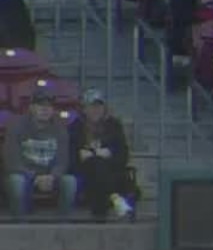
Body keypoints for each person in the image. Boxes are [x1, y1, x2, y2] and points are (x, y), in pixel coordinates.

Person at [5, 90, 78, 219]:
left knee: (70, 181)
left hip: (50, 176)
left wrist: (52, 176)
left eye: (49, 106)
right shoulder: (17, 126)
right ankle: (19, 221)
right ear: (31, 108)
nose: (45, 109)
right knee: (16, 181)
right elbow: (12, 160)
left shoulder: (60, 128)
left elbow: (63, 160)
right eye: (40, 105)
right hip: (25, 174)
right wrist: (33, 176)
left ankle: (62, 222)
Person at [69, 89, 136, 221]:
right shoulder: (75, 128)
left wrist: (109, 154)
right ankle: (115, 197)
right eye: (92, 106)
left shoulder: (114, 126)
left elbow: (123, 155)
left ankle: (101, 211)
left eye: (99, 106)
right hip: (86, 170)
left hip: (110, 169)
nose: (96, 110)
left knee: (99, 165)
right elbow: (70, 157)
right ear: (84, 109)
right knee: (96, 164)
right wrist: (80, 155)